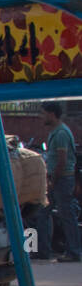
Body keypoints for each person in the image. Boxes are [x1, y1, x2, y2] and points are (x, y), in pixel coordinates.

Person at [42, 101, 81, 262]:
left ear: (51, 114)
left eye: (43, 113)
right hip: (56, 178)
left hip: (62, 179)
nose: (41, 116)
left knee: (67, 215)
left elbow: (62, 161)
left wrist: (53, 181)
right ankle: (43, 250)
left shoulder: (61, 133)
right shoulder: (55, 132)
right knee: (42, 211)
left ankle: (74, 251)